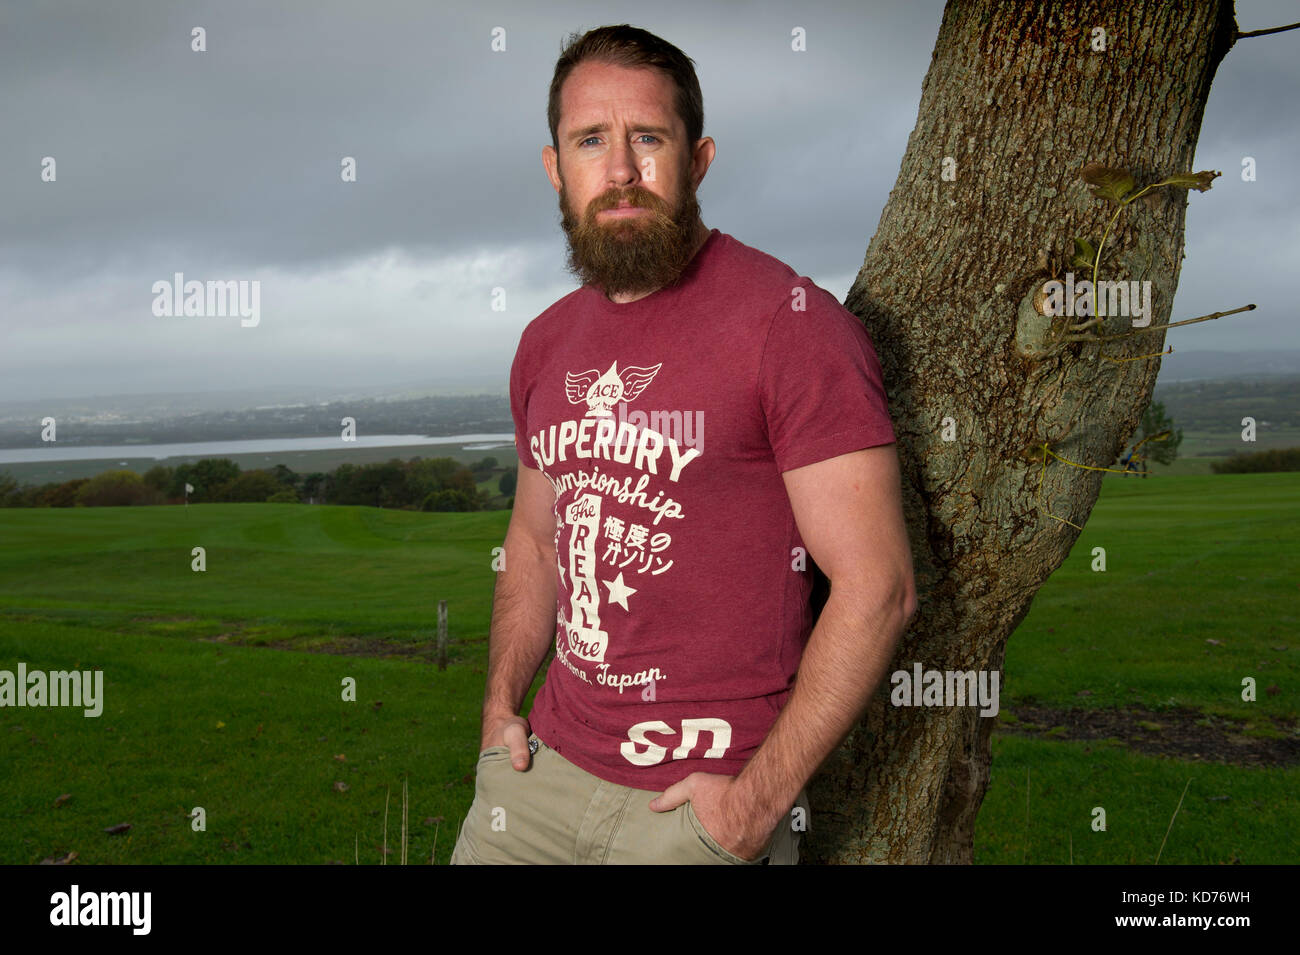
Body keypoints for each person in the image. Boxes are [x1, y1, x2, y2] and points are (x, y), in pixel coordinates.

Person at [450, 23, 917, 865]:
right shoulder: (545, 344)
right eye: (591, 140)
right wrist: (497, 710)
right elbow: (533, 536)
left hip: (693, 810)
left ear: (698, 159)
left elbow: (877, 587)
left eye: (649, 138)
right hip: (535, 781)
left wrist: (748, 811)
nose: (621, 169)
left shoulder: (791, 326)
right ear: (556, 167)